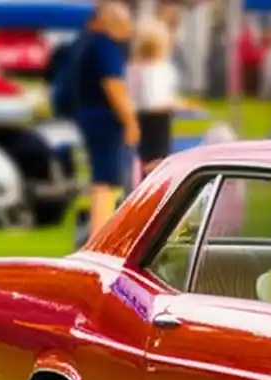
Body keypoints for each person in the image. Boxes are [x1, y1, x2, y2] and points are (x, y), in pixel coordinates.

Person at [74, 1, 138, 239]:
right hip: (104, 120)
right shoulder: (105, 46)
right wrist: (130, 121)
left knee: (104, 181)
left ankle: (99, 232)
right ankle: (99, 236)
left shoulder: (88, 42)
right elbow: (114, 86)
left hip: (90, 117)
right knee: (106, 182)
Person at [128, 20, 188, 177]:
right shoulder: (161, 69)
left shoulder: (134, 68)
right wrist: (177, 104)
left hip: (141, 117)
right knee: (157, 158)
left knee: (145, 157)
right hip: (157, 119)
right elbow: (154, 99)